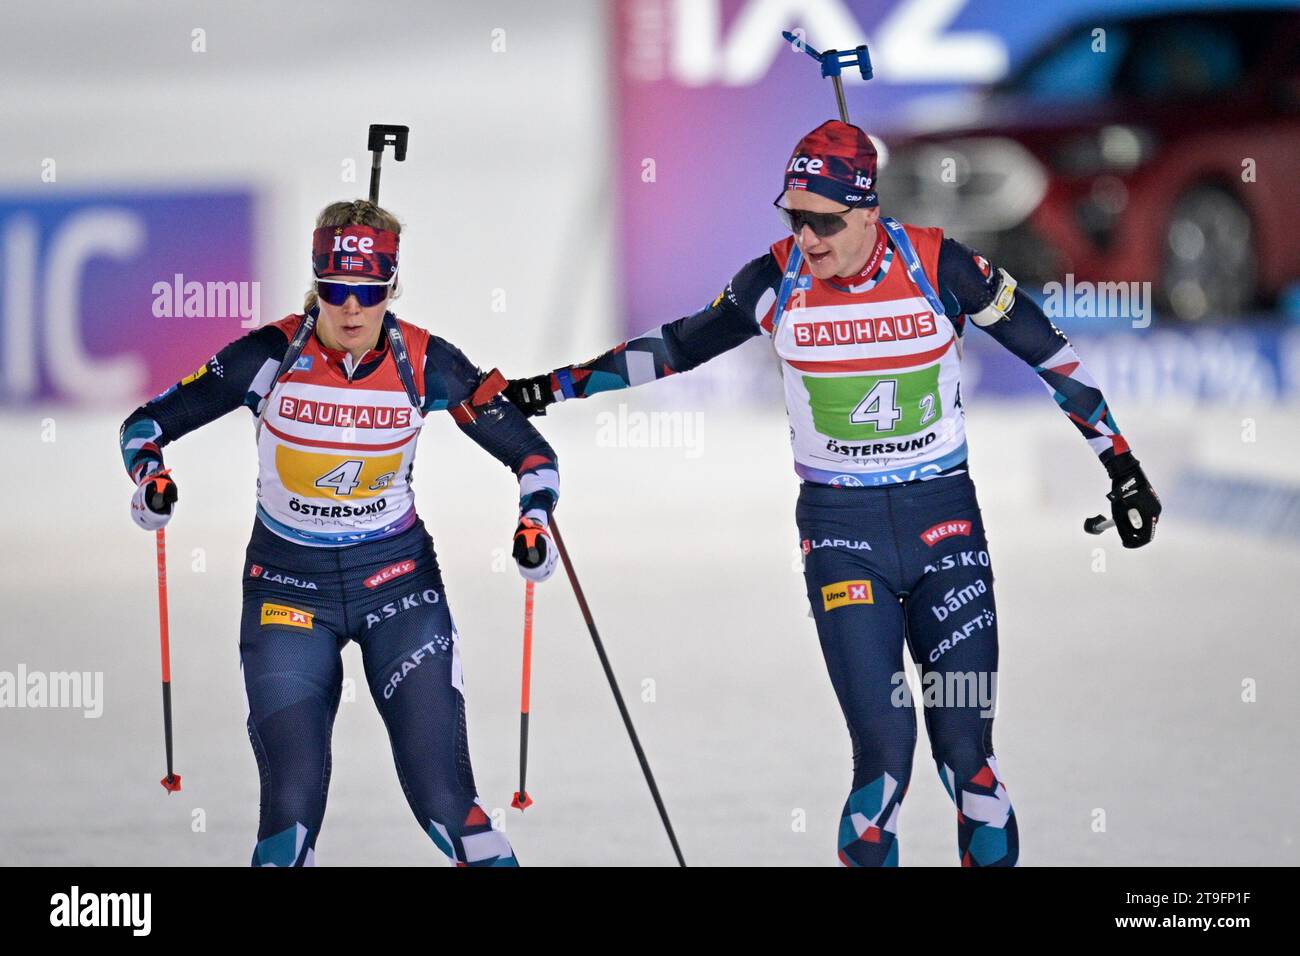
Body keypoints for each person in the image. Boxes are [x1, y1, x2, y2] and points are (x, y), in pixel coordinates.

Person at [503, 120, 1161, 867]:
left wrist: (1122, 465)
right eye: (795, 218)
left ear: (869, 210)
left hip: (946, 528)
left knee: (967, 758)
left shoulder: (939, 264)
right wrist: (551, 388)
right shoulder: (775, 278)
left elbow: (1053, 356)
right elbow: (675, 347)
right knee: (883, 760)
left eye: (826, 220)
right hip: (842, 536)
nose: (809, 238)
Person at [119, 199, 561, 867]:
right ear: (316, 281)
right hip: (287, 590)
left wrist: (535, 519)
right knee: (289, 814)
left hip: (398, 583)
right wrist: (150, 480)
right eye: (336, 290)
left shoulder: (425, 362)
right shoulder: (270, 355)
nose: (351, 309)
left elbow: (531, 455)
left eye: (369, 292)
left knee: (447, 804)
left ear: (392, 286)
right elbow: (146, 425)